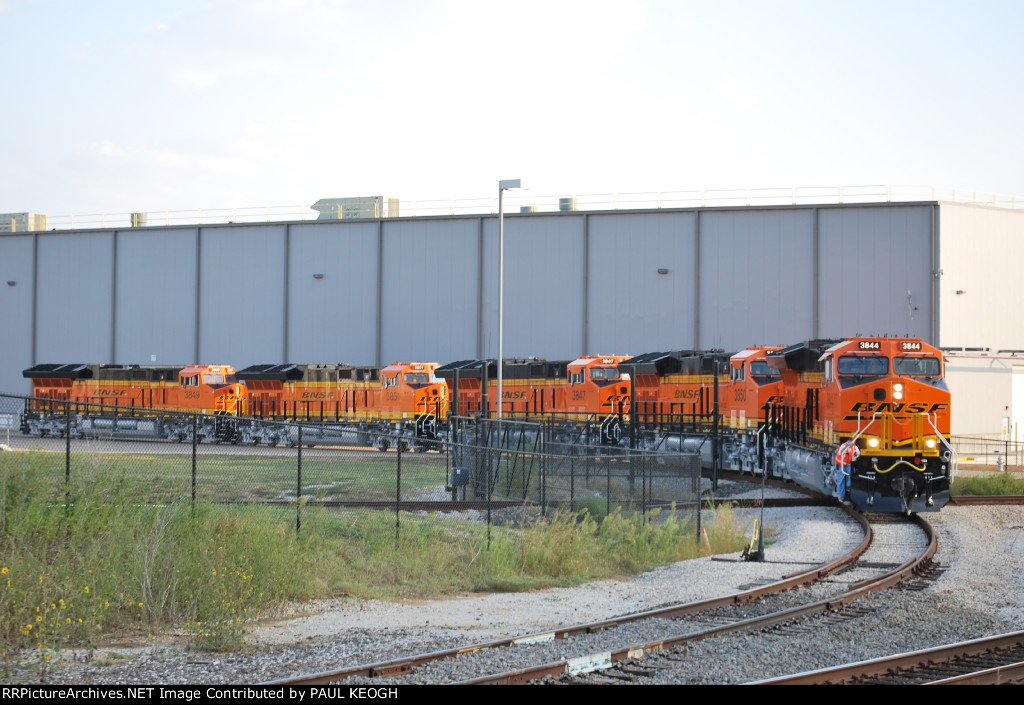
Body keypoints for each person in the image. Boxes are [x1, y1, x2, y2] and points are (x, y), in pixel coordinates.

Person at [834, 439, 860, 504]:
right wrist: (847, 446)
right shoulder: (843, 446)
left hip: (848, 464)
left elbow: (858, 454)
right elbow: (841, 452)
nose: (852, 445)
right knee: (841, 480)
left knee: (850, 478)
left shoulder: (854, 447)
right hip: (840, 465)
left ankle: (848, 491)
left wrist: (855, 457)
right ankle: (841, 496)